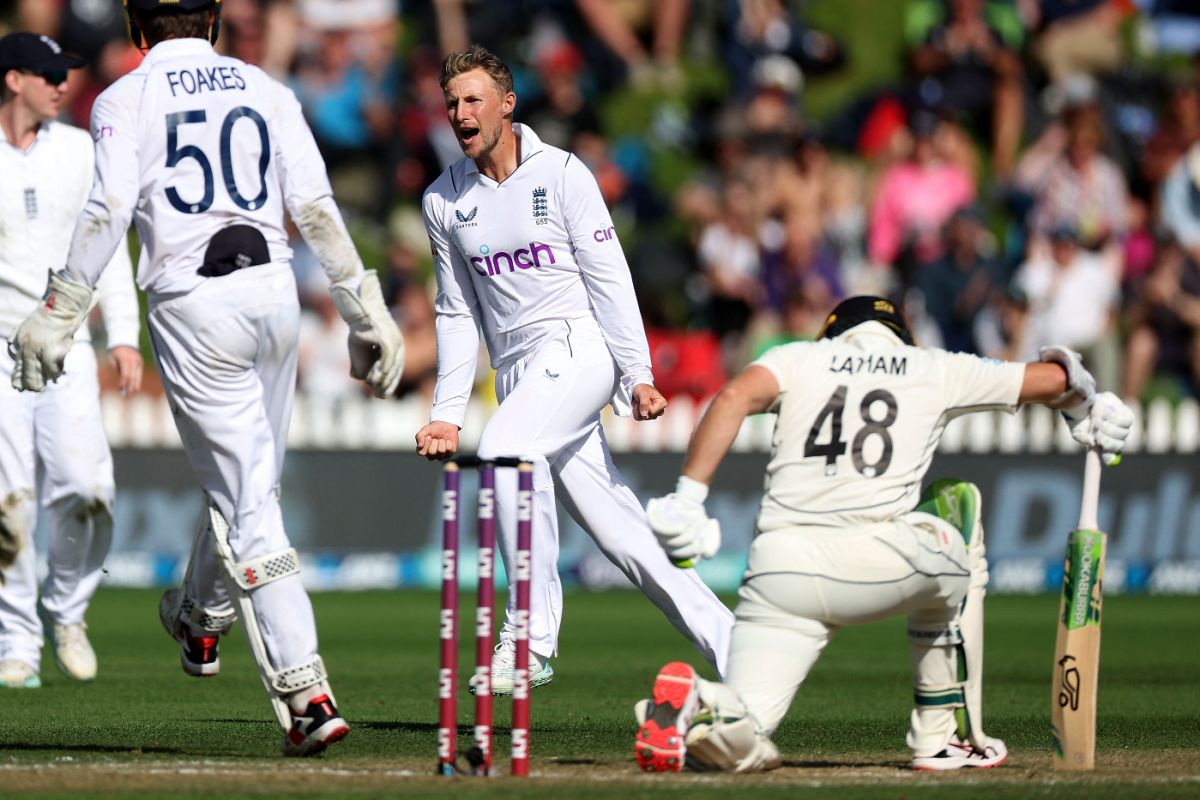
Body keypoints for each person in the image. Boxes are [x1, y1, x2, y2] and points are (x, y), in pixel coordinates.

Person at [6, 0, 404, 756]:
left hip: (194, 302)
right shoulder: (265, 88)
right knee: (253, 484)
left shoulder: (126, 96)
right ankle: (201, 615)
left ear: (135, 27)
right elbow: (314, 207)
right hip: (275, 297)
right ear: (214, 21)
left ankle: (306, 692)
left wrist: (60, 311)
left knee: (248, 499)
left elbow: (110, 205)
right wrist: (365, 308)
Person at [633, 295, 1134, 773]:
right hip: (873, 560)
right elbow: (1052, 378)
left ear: (832, 334)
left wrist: (688, 498)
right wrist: (1086, 399)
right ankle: (940, 738)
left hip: (778, 571)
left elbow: (734, 395)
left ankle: (698, 700)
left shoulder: (797, 358)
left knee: (743, 733)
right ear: (902, 337)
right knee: (959, 516)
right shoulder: (933, 366)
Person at [416, 45, 734, 695]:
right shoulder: (443, 201)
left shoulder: (562, 174)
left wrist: (635, 372)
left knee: (505, 449)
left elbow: (609, 278)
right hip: (519, 372)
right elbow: (454, 313)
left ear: (508, 104)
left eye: (474, 99)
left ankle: (530, 638)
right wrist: (446, 413)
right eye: (452, 102)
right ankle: (738, 646)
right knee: (624, 536)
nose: (461, 112)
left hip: (578, 347)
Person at [0, 32, 143, 689]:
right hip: (0, 351)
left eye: (67, 73)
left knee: (87, 489)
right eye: (49, 73)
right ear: (13, 80)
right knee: (10, 504)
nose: (64, 84)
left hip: (66, 347)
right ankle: (17, 643)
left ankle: (67, 611)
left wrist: (124, 334)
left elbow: (106, 244)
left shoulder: (81, 149)